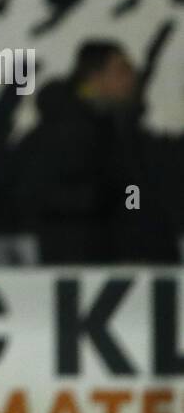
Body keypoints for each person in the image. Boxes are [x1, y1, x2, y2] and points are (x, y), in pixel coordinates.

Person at [16, 42, 181, 264]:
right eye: (122, 71)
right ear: (95, 78)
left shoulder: (122, 132)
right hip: (82, 269)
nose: (132, 79)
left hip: (125, 269)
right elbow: (39, 197)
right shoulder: (64, 134)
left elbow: (135, 197)